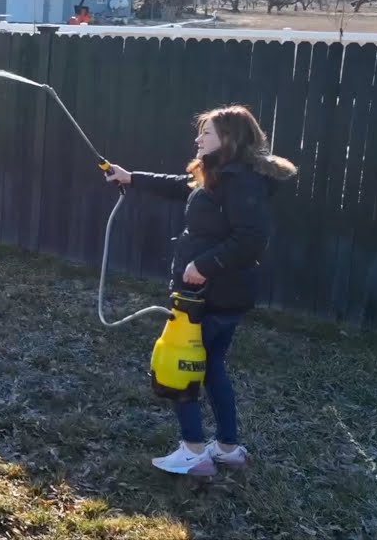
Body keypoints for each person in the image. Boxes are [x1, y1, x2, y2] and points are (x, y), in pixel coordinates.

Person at [107, 105, 296, 476]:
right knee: (212, 367)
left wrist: (204, 265)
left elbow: (252, 239)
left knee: (183, 364)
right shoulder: (221, 174)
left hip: (210, 294)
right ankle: (227, 448)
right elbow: (182, 186)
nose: (198, 138)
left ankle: (194, 451)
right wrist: (132, 178)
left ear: (228, 138)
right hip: (218, 293)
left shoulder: (241, 182)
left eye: (206, 133)